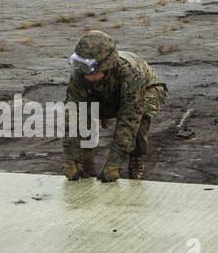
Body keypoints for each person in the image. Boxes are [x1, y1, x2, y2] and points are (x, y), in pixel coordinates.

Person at [61, 30, 168, 181]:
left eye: (88, 67)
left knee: (140, 118)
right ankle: (85, 162)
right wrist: (70, 158)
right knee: (83, 113)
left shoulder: (130, 75)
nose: (83, 72)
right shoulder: (81, 74)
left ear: (106, 66)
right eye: (79, 64)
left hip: (146, 89)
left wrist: (113, 164)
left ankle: (136, 162)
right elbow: (72, 114)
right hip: (105, 94)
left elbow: (128, 121)